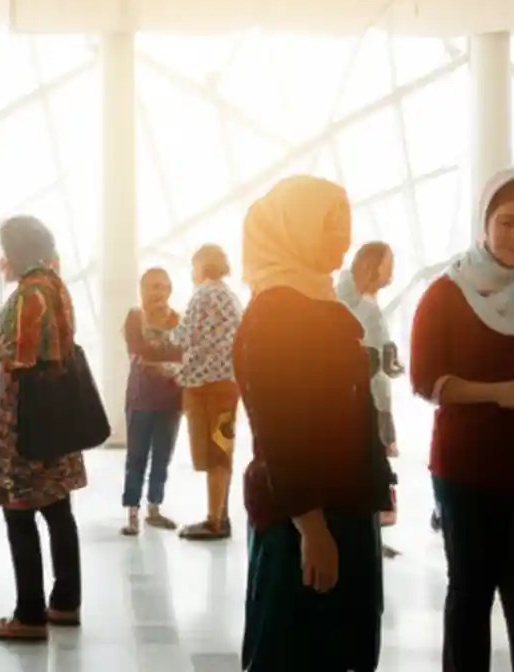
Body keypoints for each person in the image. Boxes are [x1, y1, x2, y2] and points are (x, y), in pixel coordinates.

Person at [410, 168, 514, 671]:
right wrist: (497, 393)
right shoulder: (447, 291)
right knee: (470, 591)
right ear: (484, 220)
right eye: (507, 222)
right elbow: (425, 380)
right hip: (467, 467)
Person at [237, 176, 391, 671]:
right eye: (330, 224)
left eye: (346, 223)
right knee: (297, 646)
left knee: (337, 646)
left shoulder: (317, 301)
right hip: (305, 514)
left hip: (343, 502)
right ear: (292, 228)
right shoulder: (276, 312)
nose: (343, 237)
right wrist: (312, 528)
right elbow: (280, 430)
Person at [0, 216, 86, 642]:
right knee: (58, 509)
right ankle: (65, 602)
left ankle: (29, 614)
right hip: (57, 411)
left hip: (24, 416)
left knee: (18, 510)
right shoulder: (57, 286)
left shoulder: (29, 293)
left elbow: (20, 355)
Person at [170, 244, 242, 541]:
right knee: (223, 448)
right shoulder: (230, 296)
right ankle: (220, 514)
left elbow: (184, 336)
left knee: (212, 454)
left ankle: (214, 521)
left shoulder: (203, 295)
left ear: (202, 265)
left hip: (206, 388)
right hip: (228, 385)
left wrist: (167, 331)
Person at [336, 241, 404, 553]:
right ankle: (369, 533)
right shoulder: (364, 305)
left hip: (376, 394)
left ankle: (371, 532)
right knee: (371, 462)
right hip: (370, 397)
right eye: (388, 262)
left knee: (374, 461)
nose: (392, 269)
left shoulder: (363, 302)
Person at [119, 267, 182, 536]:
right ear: (142, 290)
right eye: (152, 286)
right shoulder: (135, 317)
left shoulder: (178, 319)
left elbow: (183, 352)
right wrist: (166, 359)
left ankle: (154, 507)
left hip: (171, 399)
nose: (158, 292)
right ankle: (132, 510)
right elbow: (138, 351)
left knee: (162, 456)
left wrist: (161, 360)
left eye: (163, 286)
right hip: (140, 398)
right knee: (136, 456)